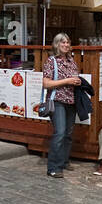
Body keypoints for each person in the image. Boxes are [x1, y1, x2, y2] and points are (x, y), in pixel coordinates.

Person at [40, 31, 91, 178]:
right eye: (63, 42)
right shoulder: (51, 61)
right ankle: (53, 168)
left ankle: (63, 161)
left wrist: (78, 81)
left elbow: (73, 79)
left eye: (68, 42)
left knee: (68, 134)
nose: (66, 45)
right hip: (57, 101)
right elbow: (46, 83)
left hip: (71, 101)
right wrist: (67, 81)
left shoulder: (72, 61)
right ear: (57, 44)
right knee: (60, 132)